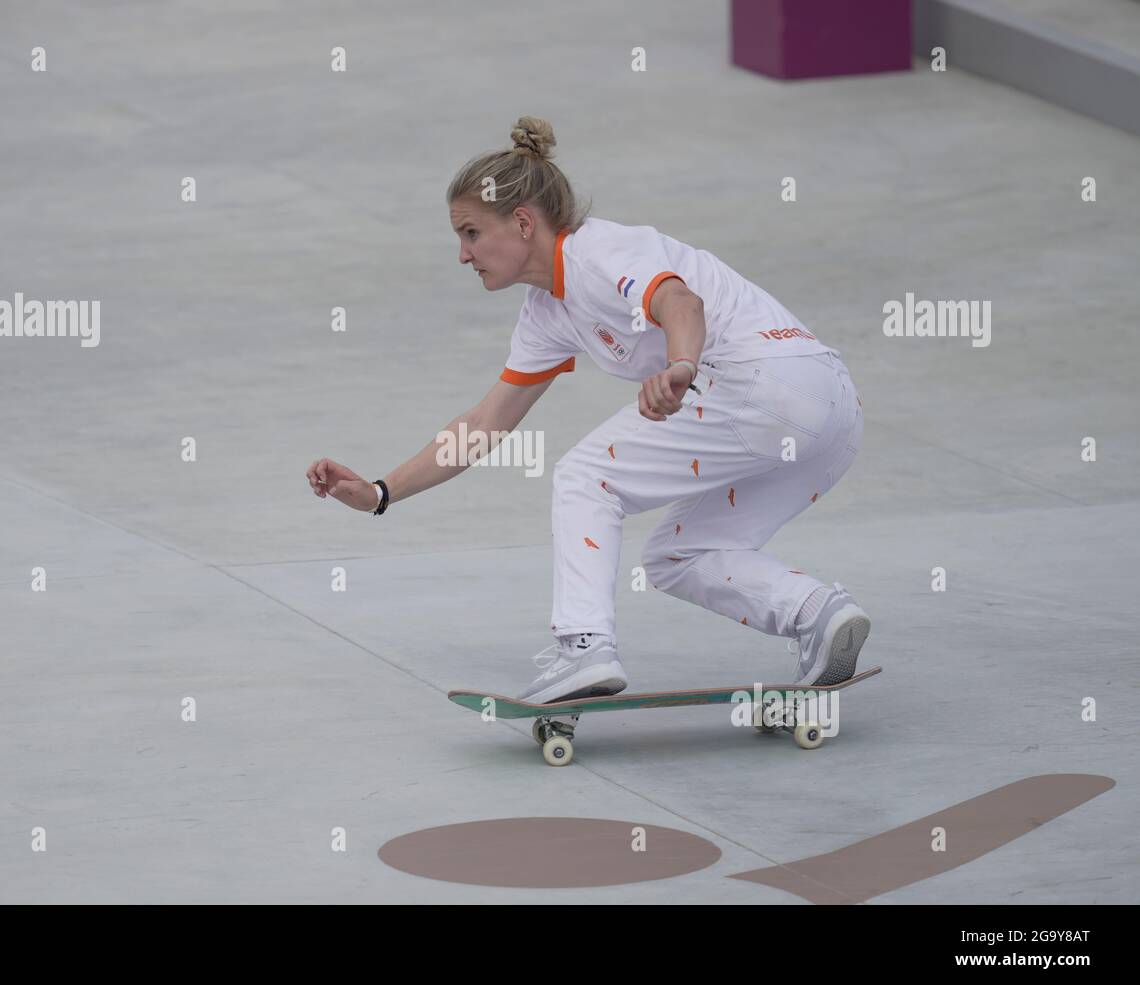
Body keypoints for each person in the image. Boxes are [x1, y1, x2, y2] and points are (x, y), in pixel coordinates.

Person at [306, 116, 869, 705]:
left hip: (764, 386)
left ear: (523, 222)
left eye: (471, 233)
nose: (462, 254)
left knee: (585, 477)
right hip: (830, 412)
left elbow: (680, 301)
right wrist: (379, 493)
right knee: (678, 554)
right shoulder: (548, 311)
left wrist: (681, 366)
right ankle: (816, 613)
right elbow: (484, 425)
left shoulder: (598, 253)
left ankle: (584, 646)